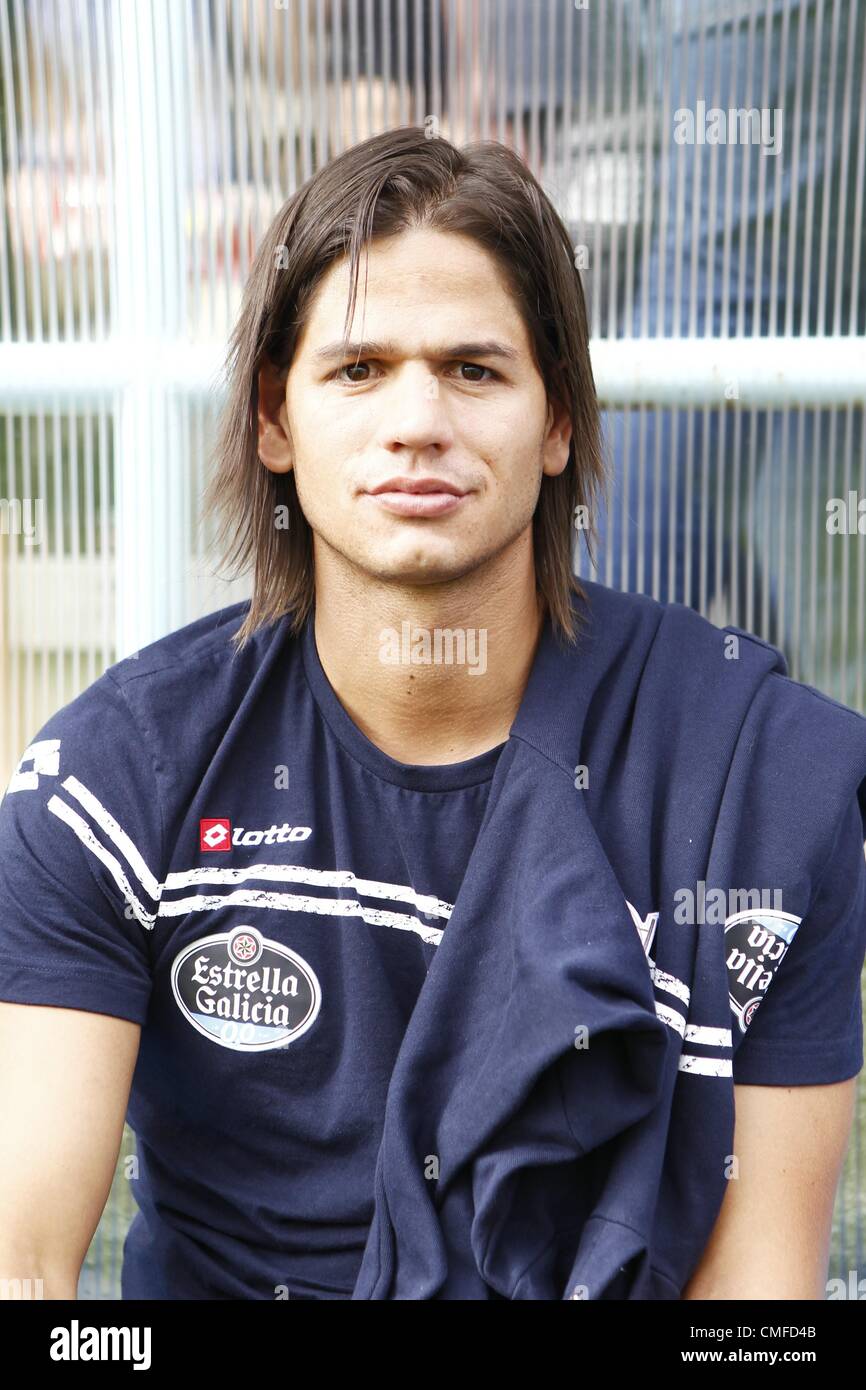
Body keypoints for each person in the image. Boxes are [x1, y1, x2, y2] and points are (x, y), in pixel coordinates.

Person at [0, 126, 864, 1301]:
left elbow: (756, 1310)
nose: (417, 421)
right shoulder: (113, 782)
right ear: (273, 419)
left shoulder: (760, 778)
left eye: (473, 369)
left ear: (556, 421)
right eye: (356, 370)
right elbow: (28, 1275)